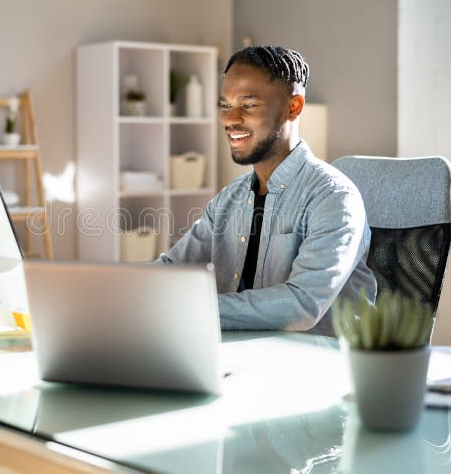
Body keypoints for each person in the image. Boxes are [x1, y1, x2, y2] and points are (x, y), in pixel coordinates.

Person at [157, 45, 376, 334]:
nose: (230, 119)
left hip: (318, 357)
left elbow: (301, 305)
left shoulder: (334, 197)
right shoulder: (229, 199)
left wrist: (191, 309)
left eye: (248, 105)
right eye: (225, 105)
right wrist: (116, 289)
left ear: (293, 107)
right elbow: (171, 269)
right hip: (245, 352)